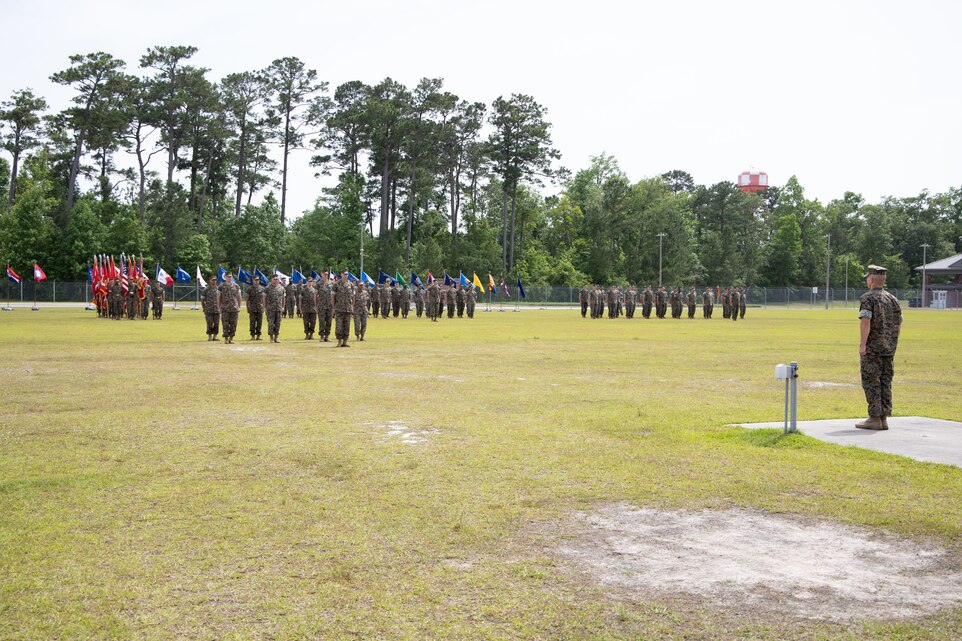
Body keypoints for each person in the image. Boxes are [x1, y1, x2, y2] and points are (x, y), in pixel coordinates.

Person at [856, 265, 903, 430]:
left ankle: (874, 418)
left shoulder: (867, 298)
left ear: (871, 279)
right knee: (885, 381)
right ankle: (883, 417)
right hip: (889, 348)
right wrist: (892, 342)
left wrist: (863, 344)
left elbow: (865, 321)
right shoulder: (892, 299)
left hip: (873, 349)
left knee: (871, 381)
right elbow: (900, 322)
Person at [333, 270, 355, 347]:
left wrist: (352, 306)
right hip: (339, 308)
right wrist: (334, 307)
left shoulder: (351, 284)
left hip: (348, 309)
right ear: (341, 274)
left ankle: (345, 342)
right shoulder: (336, 284)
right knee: (339, 326)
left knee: (347, 326)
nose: (345, 275)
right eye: (344, 274)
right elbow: (333, 297)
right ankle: (339, 341)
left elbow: (353, 296)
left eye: (346, 274)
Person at [219, 272, 242, 344]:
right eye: (228, 276)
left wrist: (239, 306)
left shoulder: (236, 286)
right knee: (225, 324)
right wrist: (219, 306)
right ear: (225, 277)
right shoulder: (221, 286)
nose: (229, 278)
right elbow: (219, 297)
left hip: (234, 308)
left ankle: (231, 338)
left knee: (233, 324)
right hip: (225, 308)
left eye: (230, 276)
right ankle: (226, 338)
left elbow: (239, 296)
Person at [265, 274, 286, 343]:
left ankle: (276, 337)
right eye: (275, 279)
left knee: (278, 323)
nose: (276, 280)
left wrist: (283, 306)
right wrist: (265, 307)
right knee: (271, 323)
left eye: (277, 279)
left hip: (279, 308)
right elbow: (264, 298)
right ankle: (271, 338)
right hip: (270, 309)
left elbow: (283, 298)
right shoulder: (267, 288)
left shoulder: (281, 288)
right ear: (271, 280)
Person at [201, 275, 221, 341]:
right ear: (210, 281)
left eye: (215, 280)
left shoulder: (219, 289)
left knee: (216, 323)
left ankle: (215, 336)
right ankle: (209, 336)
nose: (214, 281)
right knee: (209, 323)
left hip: (217, 309)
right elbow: (202, 300)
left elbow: (221, 298)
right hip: (208, 309)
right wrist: (204, 308)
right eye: (213, 280)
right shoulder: (206, 289)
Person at [316, 273, 333, 342]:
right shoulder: (318, 284)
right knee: (322, 321)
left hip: (330, 305)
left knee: (329, 321)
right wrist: (315, 304)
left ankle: (327, 336)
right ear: (321, 274)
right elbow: (315, 294)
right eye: (324, 274)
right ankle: (322, 337)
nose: (325, 275)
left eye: (327, 274)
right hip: (321, 305)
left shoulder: (331, 283)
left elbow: (334, 295)